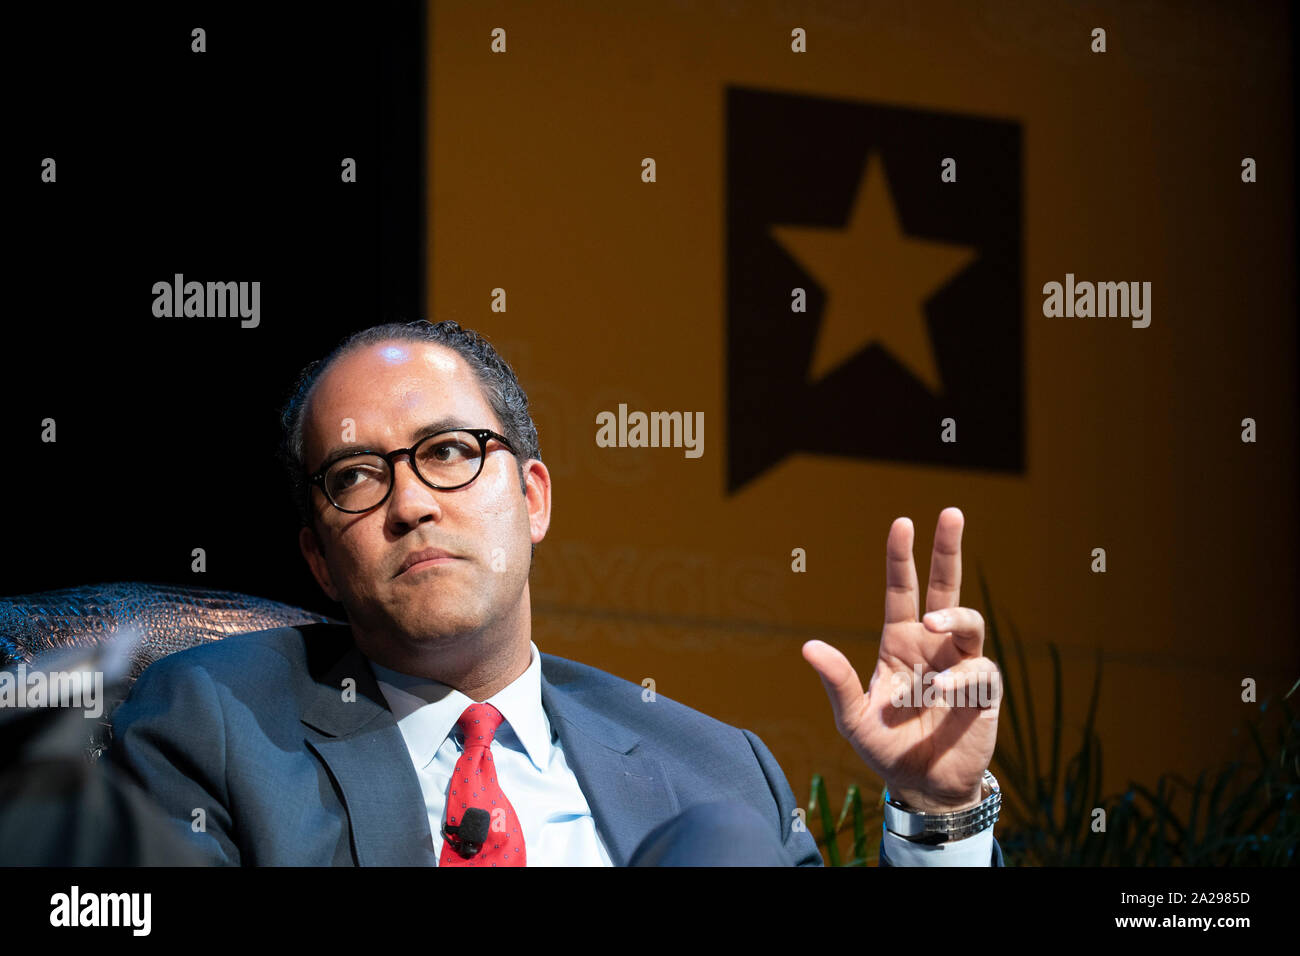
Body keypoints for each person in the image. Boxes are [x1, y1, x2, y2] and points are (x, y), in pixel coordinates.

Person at [109, 320, 1005, 866]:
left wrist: (939, 811)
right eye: (355, 477)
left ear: (533, 498)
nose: (411, 504)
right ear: (318, 558)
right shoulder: (216, 723)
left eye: (448, 452)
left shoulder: (717, 771)